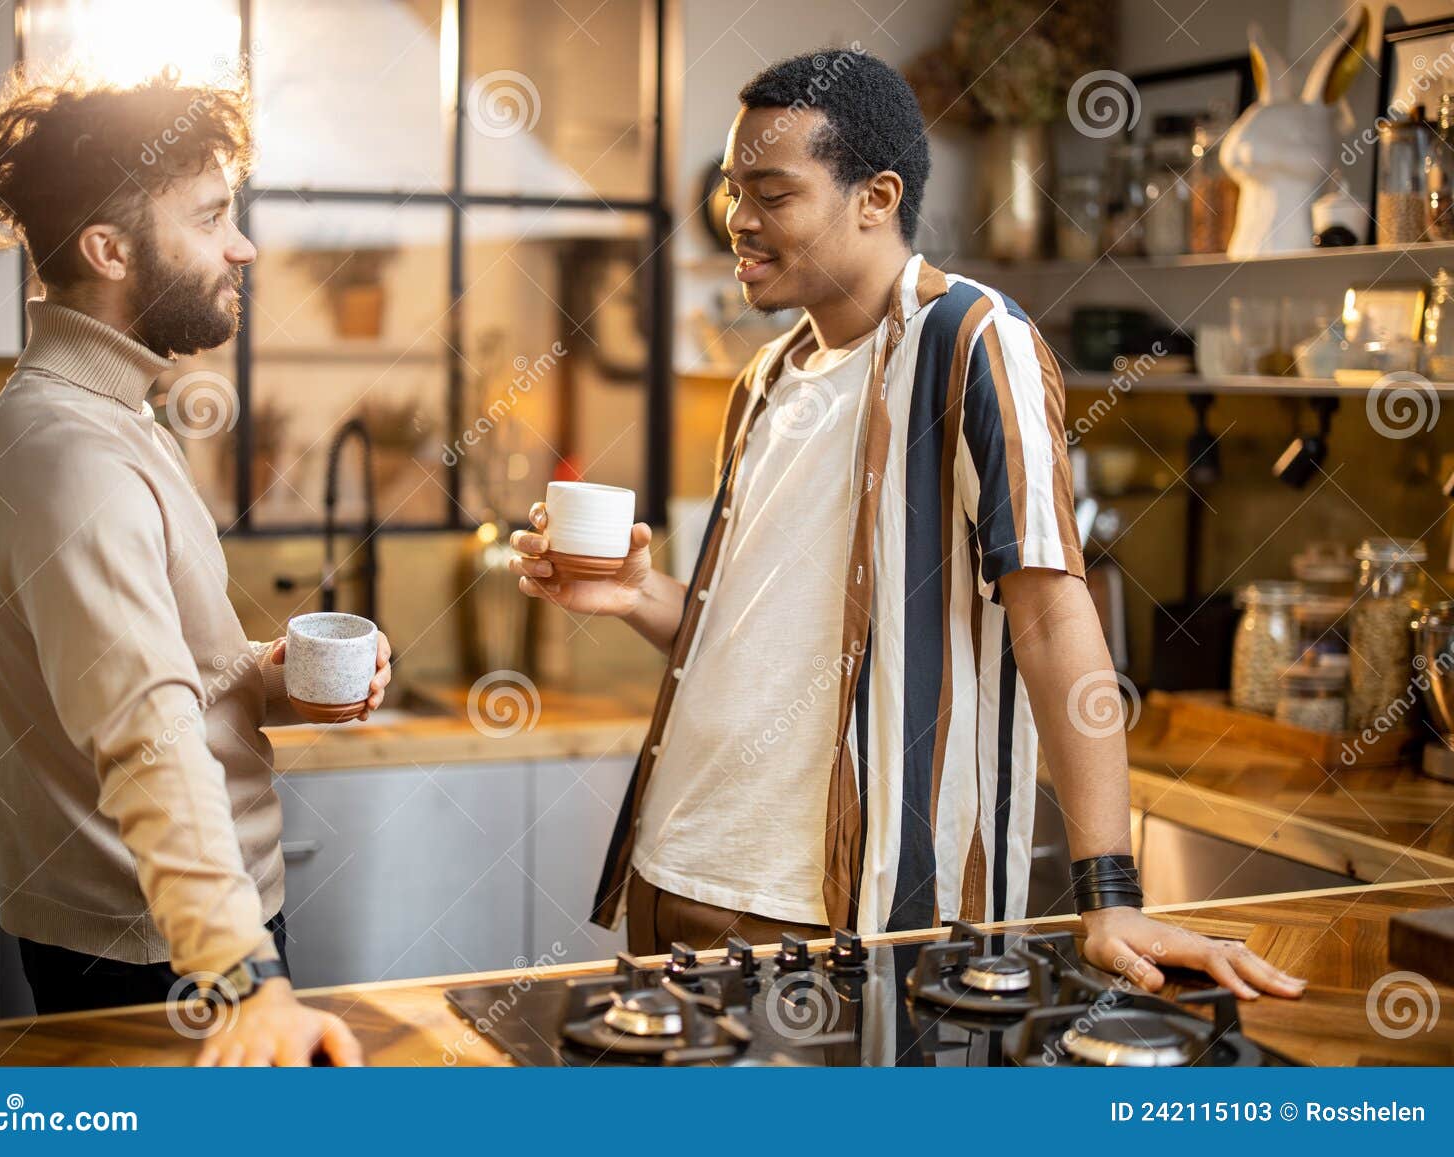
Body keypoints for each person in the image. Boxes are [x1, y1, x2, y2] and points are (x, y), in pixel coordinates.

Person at [513, 50, 1306, 1000]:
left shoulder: (973, 342)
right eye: (734, 190)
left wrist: (1111, 893)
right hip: (670, 871)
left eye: (773, 192)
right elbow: (753, 641)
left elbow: (1055, 620)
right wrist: (640, 594)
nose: (739, 219)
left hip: (836, 908)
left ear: (875, 196)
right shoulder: (764, 381)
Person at [0, 71, 390, 1065]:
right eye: (210, 217)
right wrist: (240, 974)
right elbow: (144, 729)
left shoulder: (109, 415)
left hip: (173, 942)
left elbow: (149, 671)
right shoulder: (73, 449)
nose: (242, 246)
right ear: (110, 250)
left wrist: (263, 678)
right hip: (168, 955)